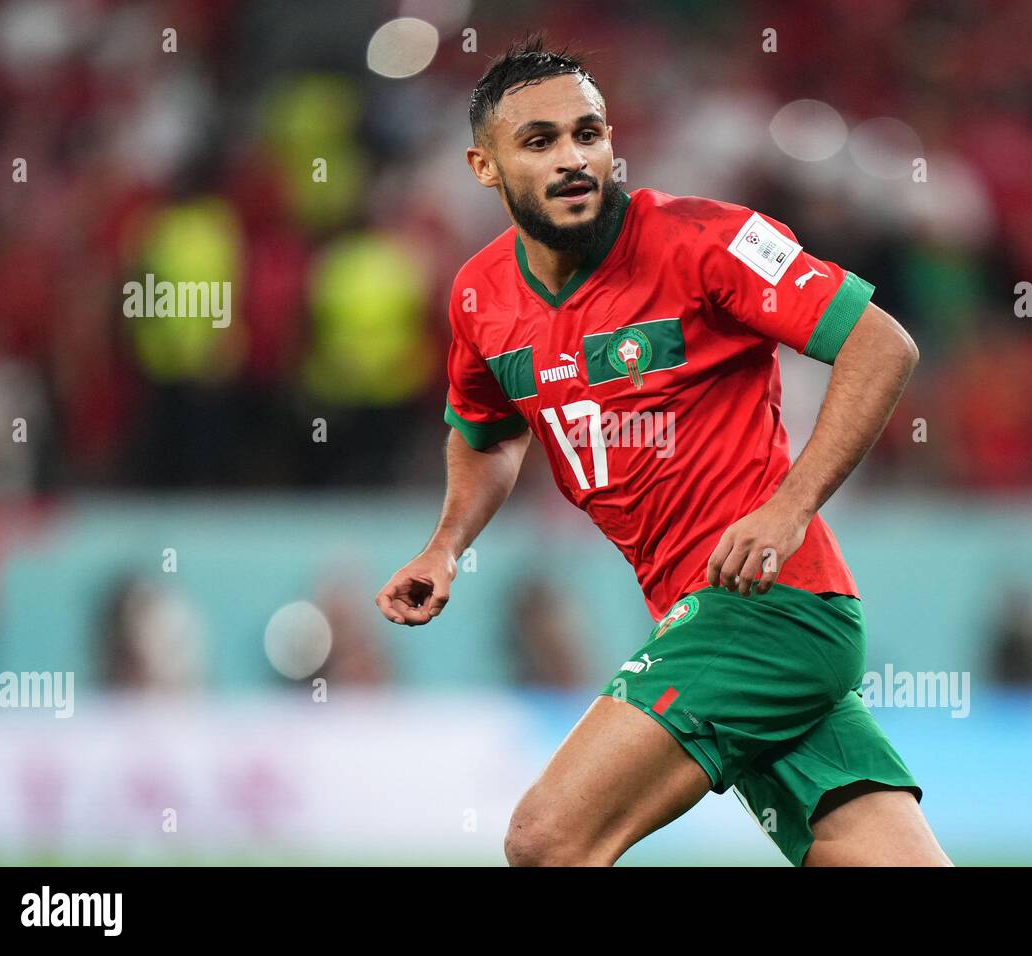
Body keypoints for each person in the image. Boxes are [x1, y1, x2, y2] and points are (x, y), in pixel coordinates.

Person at [376, 35, 951, 867]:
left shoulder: (704, 240)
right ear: (484, 167)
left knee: (549, 840)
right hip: (718, 623)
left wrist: (789, 507)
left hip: (766, 609)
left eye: (588, 133)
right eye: (540, 142)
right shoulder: (479, 296)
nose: (573, 158)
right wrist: (447, 544)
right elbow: (487, 434)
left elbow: (881, 343)